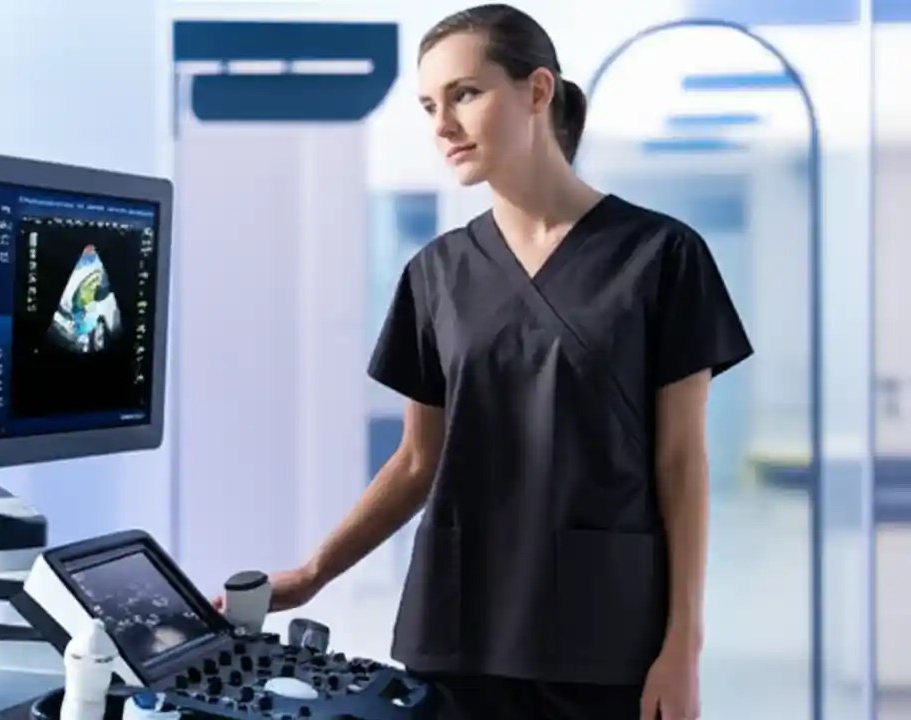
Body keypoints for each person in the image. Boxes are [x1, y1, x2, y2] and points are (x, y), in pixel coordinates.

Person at [213, 4, 752, 720]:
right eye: (430, 104)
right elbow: (415, 462)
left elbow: (682, 463)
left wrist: (683, 645)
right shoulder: (436, 274)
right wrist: (312, 576)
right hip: (459, 630)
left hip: (604, 635)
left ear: (537, 91)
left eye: (465, 94)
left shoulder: (662, 257)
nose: (441, 124)